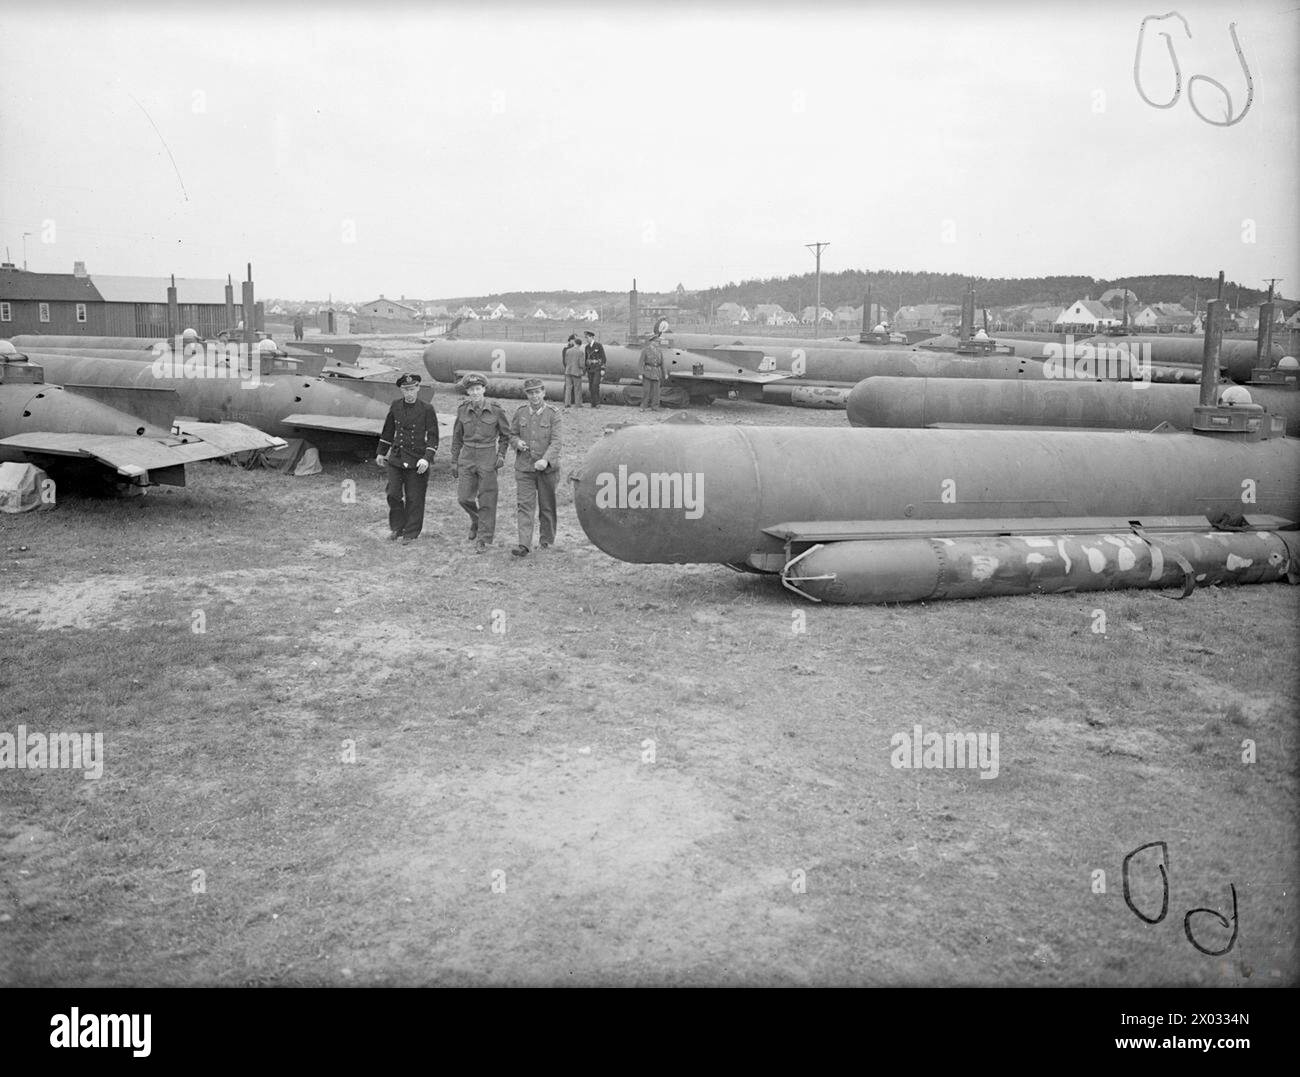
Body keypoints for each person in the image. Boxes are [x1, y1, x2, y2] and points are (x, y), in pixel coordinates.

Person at [375, 373, 439, 545]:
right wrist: (381, 452)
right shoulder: (395, 406)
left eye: (412, 389)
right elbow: (388, 430)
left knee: (414, 497)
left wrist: (427, 458)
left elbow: (433, 437)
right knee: (393, 494)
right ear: (401, 390)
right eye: (405, 389)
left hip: (417, 460)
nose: (409, 393)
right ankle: (397, 527)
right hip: (397, 458)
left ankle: (411, 532)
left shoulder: (427, 409)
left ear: (418, 388)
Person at [451, 372, 511, 553]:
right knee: (463, 498)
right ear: (467, 392)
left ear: (484, 389)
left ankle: (484, 538)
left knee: (487, 498)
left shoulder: (496, 409)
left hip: (487, 455)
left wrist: (501, 455)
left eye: (478, 389)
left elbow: (505, 435)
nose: (475, 392)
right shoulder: (462, 409)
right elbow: (457, 437)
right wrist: (454, 460)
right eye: (471, 390)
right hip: (467, 455)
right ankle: (477, 520)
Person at [509, 378, 562, 556]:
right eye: (531, 393)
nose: (534, 396)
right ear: (526, 395)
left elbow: (556, 442)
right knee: (524, 506)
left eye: (537, 392)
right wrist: (517, 443)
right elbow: (512, 434)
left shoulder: (554, 414)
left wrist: (545, 460)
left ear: (544, 392)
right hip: (524, 467)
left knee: (547, 505)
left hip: (547, 469)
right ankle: (523, 544)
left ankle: (546, 540)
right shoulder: (520, 412)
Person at [639, 329, 666, 410]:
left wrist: (665, 373)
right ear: (652, 342)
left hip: (657, 373)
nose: (658, 343)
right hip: (647, 372)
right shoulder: (645, 350)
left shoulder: (659, 351)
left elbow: (662, 363)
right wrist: (640, 373)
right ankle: (643, 406)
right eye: (657, 342)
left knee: (656, 392)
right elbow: (641, 362)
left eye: (658, 342)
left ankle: (655, 406)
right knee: (646, 391)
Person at [583, 329, 606, 408]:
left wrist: (603, 369)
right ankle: (593, 402)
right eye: (586, 338)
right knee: (590, 386)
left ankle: (597, 403)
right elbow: (586, 359)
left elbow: (603, 358)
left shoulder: (598, 345)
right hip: (590, 369)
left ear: (592, 337)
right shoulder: (586, 347)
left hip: (597, 368)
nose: (587, 339)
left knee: (595, 385)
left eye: (588, 337)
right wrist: (586, 370)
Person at [562, 333, 585, 408]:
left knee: (568, 388)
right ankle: (578, 404)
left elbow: (565, 361)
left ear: (575, 343)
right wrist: (583, 369)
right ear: (580, 345)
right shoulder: (580, 352)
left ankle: (567, 403)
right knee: (577, 389)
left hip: (568, 372)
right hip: (576, 373)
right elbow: (581, 364)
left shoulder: (568, 351)